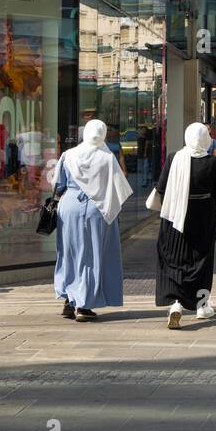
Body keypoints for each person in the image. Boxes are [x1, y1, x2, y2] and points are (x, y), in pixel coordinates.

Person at [52, 119, 133, 322]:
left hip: (69, 206)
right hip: (98, 209)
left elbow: (57, 184)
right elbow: (120, 186)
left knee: (70, 253)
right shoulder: (107, 157)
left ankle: (69, 298)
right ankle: (84, 304)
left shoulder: (68, 155)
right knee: (92, 255)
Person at [155, 123, 216, 330]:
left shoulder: (173, 158)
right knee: (202, 260)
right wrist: (213, 209)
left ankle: (176, 304)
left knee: (175, 259)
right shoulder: (213, 162)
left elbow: (161, 188)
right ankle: (201, 306)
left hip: (175, 216)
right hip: (203, 215)